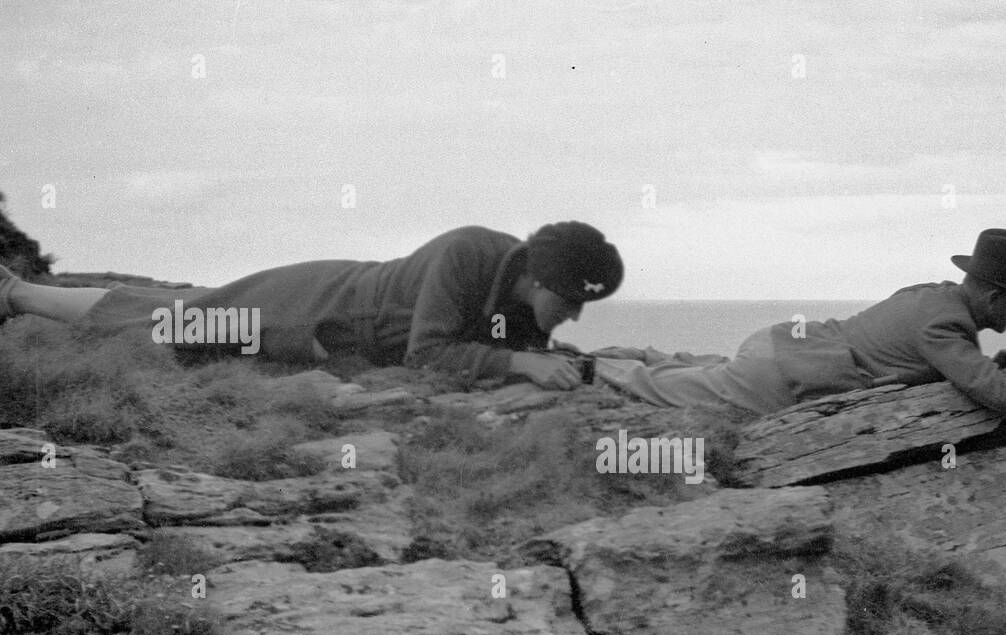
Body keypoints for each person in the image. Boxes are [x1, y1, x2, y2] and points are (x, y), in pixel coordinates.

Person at [0, 221, 624, 391]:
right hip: (311, 305)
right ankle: (17, 294)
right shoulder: (468, 253)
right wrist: (520, 367)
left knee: (177, 322)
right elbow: (429, 353)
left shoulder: (519, 299)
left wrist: (547, 361)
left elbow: (500, 350)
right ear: (540, 280)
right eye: (568, 303)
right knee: (167, 320)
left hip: (325, 334)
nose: (572, 316)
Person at [593, 228, 1006, 416]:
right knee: (663, 391)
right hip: (783, 375)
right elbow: (998, 398)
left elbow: (950, 371)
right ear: (997, 296)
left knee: (704, 375)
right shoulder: (945, 326)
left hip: (785, 353)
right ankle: (590, 370)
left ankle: (640, 355)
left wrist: (1004, 362)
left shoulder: (933, 298)